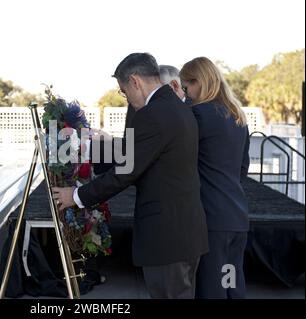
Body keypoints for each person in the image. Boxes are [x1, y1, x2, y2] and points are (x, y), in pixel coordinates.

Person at [53, 53, 208, 299]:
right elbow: (139, 152)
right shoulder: (178, 107)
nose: (126, 98)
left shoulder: (152, 114)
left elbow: (125, 172)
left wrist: (77, 196)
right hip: (187, 232)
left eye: (123, 91)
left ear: (135, 81)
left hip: (166, 238)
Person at [179, 57, 250, 299]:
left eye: (186, 87)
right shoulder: (238, 117)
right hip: (237, 218)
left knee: (212, 289)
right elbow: (242, 169)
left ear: (198, 82)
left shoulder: (197, 114)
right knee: (231, 283)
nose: (186, 93)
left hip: (211, 219)